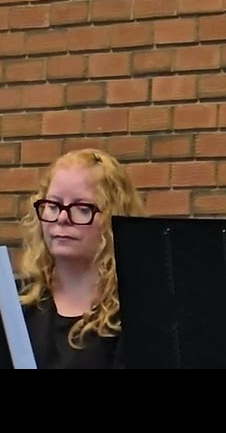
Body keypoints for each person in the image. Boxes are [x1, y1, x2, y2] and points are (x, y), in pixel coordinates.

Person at [17, 148, 145, 369]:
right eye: (53, 205)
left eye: (82, 208)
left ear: (112, 217)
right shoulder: (16, 302)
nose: (62, 218)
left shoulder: (138, 314)